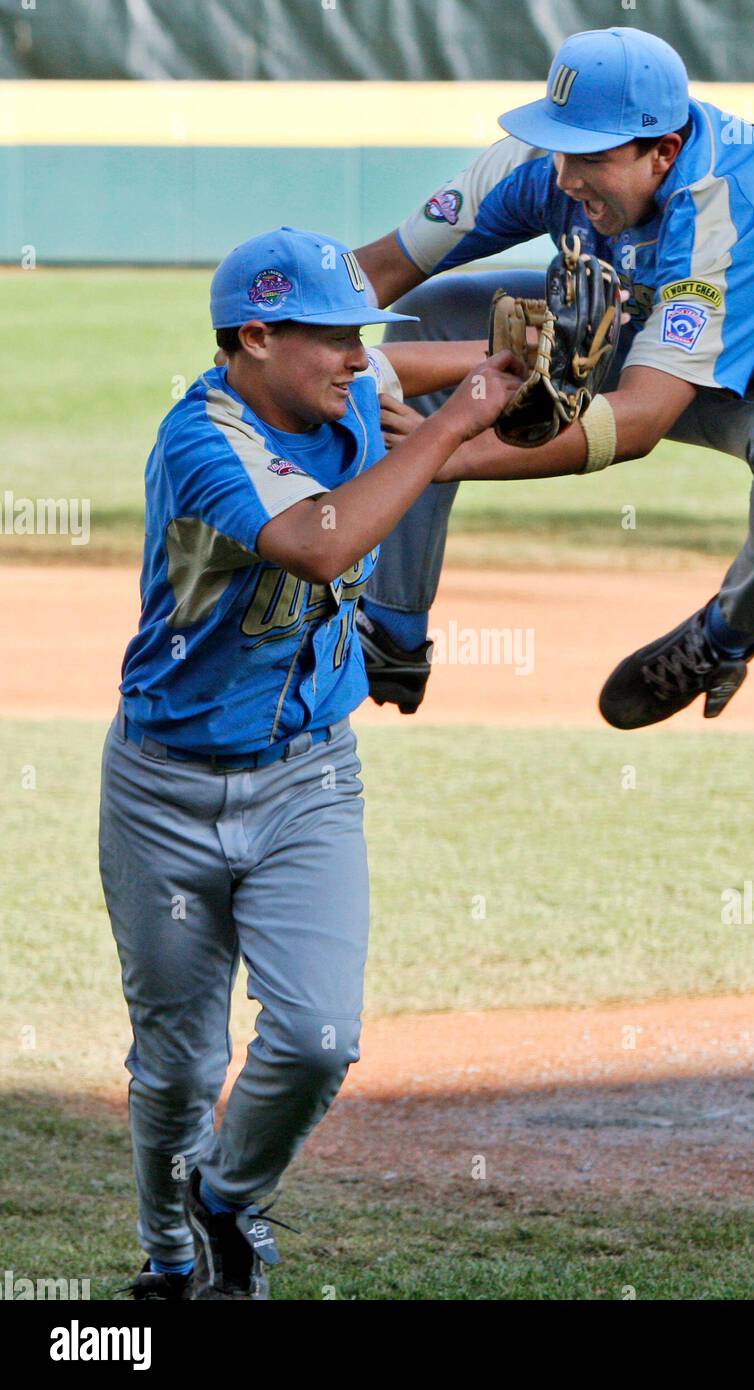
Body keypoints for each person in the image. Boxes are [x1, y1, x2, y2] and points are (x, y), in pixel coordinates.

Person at [100, 226, 523, 1300]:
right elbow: (324, 541)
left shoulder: (333, 385)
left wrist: (508, 365)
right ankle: (169, 1262)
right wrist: (455, 426)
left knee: (321, 1034)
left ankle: (226, 1202)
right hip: (166, 788)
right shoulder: (205, 439)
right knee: (182, 1065)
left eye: (358, 337)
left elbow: (418, 364)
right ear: (255, 337)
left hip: (309, 776)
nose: (356, 356)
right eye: (331, 338)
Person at [353, 26, 754, 727]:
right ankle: (391, 632)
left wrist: (439, 452)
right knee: (432, 313)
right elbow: (381, 270)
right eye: (559, 141)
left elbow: (640, 418)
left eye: (590, 155)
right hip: (639, 324)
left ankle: (726, 635)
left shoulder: (729, 208)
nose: (564, 175)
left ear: (663, 153)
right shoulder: (541, 162)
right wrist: (271, 333)